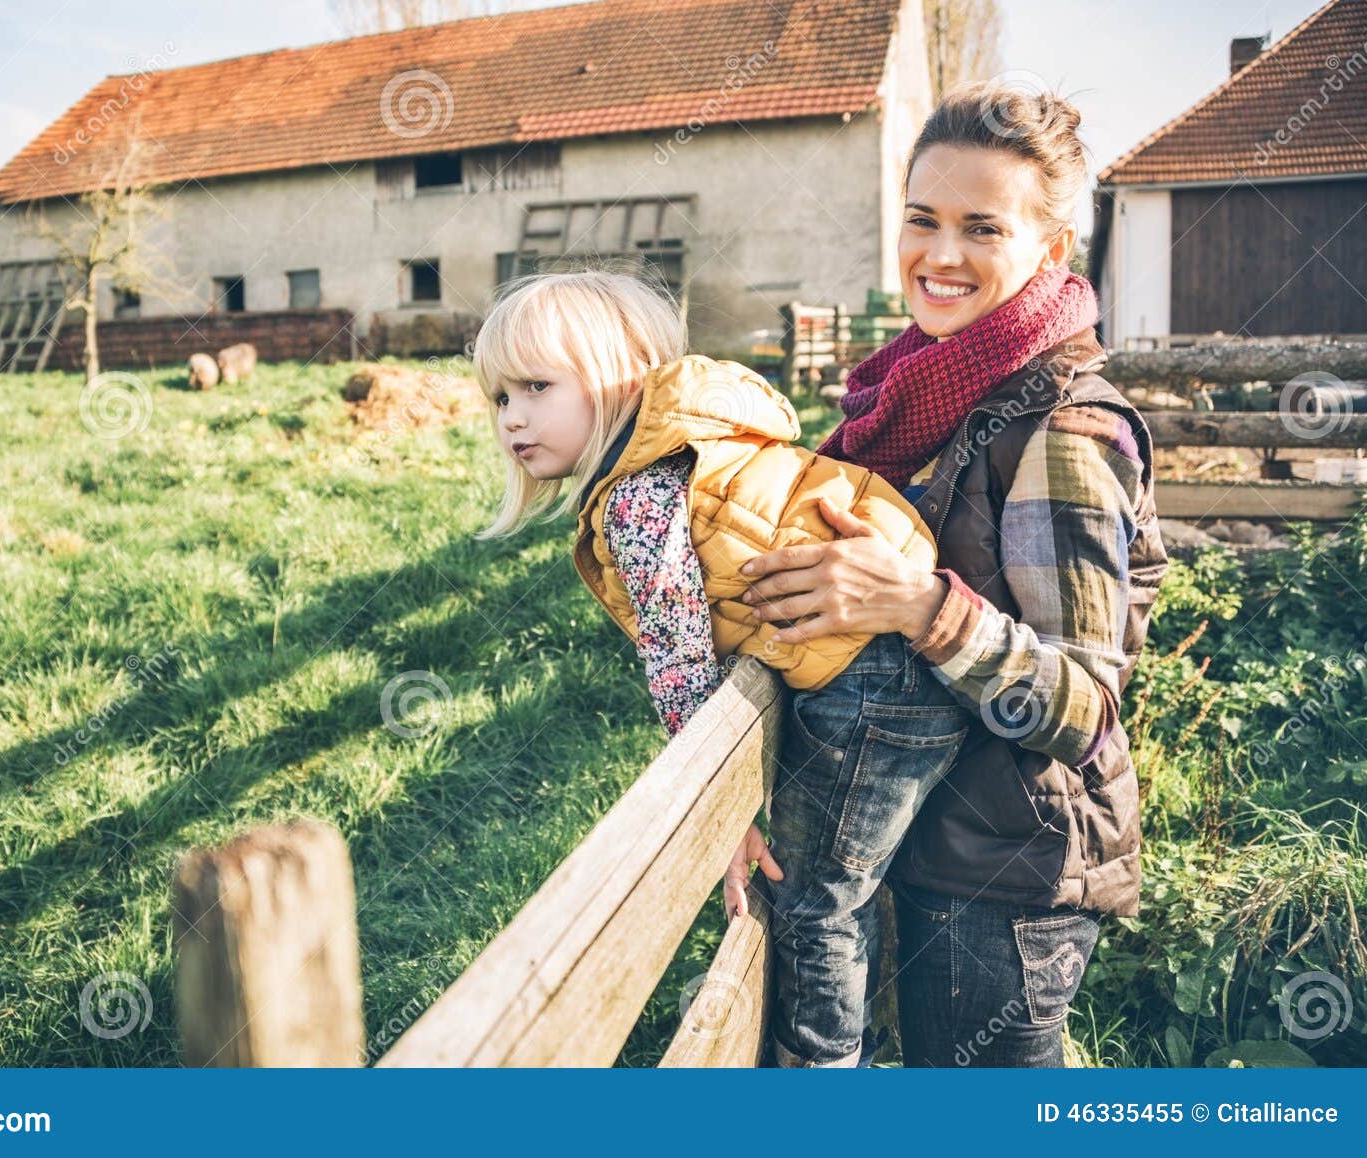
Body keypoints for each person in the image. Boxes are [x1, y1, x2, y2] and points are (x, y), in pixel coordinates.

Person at [736, 83, 1170, 1066]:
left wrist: (915, 603)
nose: (939, 255)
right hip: (920, 840)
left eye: (983, 228)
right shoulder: (922, 395)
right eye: (922, 219)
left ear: (1051, 250)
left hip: (1004, 882)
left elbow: (1083, 709)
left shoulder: (1064, 430)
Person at [472, 267, 971, 1067]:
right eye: (500, 396)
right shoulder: (707, 444)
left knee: (814, 901)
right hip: (895, 674)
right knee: (838, 888)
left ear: (620, 376)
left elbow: (677, 654)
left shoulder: (637, 496)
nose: (513, 418)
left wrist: (719, 805)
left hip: (873, 687)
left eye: (537, 386)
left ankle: (822, 1077)